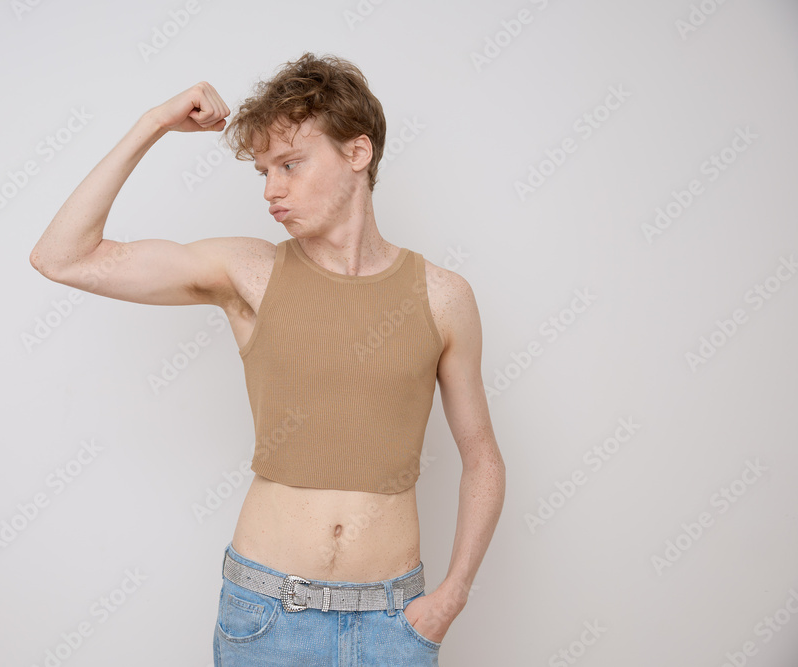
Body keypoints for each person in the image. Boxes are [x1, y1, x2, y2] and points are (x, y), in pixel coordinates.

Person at [30, 52, 506, 666]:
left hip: (394, 623)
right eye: (262, 172)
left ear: (357, 152)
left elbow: (482, 456)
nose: (270, 190)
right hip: (268, 618)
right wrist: (154, 123)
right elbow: (62, 258)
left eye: (290, 164)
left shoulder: (443, 296)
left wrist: (451, 597)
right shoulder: (251, 272)